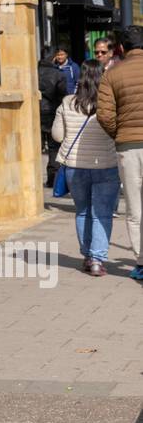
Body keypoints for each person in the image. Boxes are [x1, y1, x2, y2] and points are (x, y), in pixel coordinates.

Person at [52, 62, 119, 276]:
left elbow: (57, 135)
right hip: (106, 165)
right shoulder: (109, 102)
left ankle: (87, 255)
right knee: (102, 213)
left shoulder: (67, 102)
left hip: (74, 165)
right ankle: (97, 259)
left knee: (82, 211)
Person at [96, 24, 143, 281]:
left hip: (128, 147)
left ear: (121, 48)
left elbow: (104, 114)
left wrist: (120, 132)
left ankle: (141, 261)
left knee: (135, 208)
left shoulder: (112, 75)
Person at [38, 44, 68, 187]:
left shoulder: (33, 72)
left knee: (33, 146)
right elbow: (63, 95)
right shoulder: (59, 75)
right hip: (52, 112)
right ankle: (52, 178)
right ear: (54, 57)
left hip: (35, 112)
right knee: (53, 147)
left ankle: (34, 179)